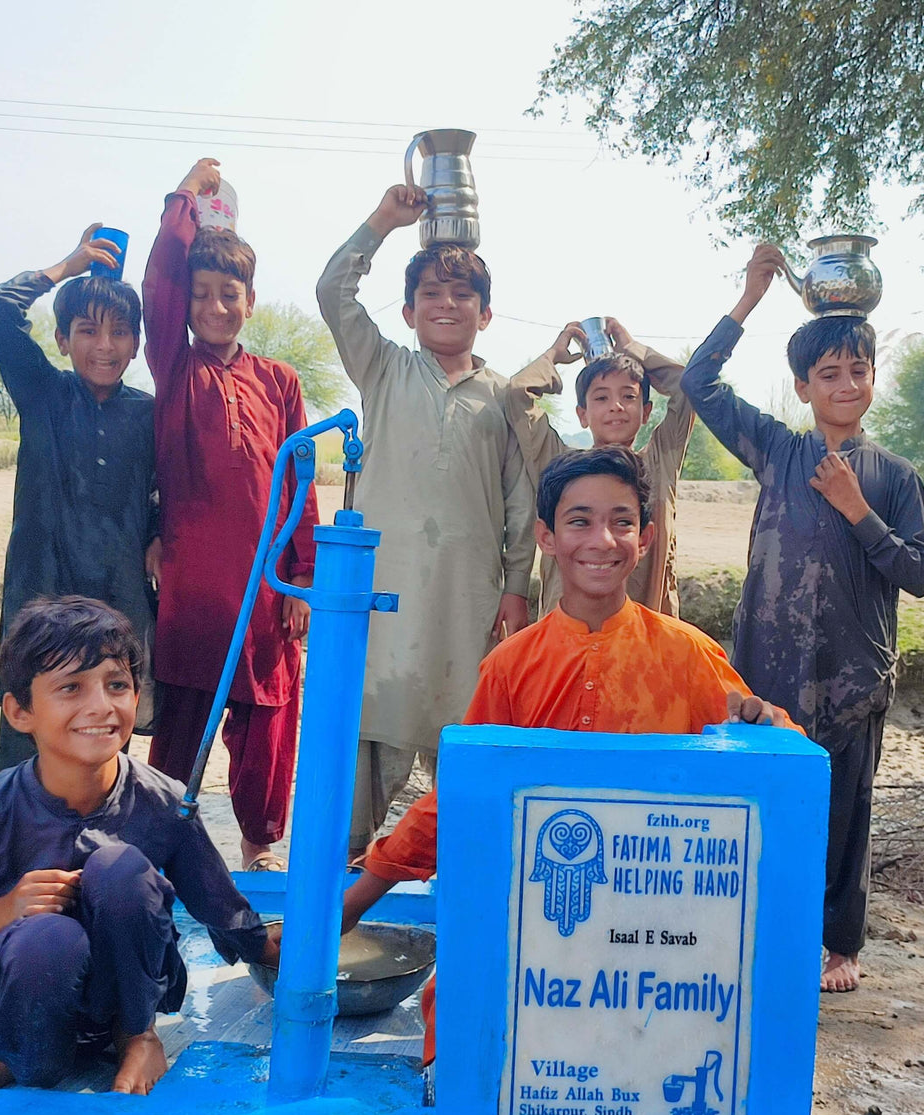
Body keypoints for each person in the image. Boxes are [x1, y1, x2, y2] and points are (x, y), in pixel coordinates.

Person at [329, 447, 794, 1063]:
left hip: (652, 929)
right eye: (579, 521)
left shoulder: (686, 655)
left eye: (621, 521)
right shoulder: (512, 664)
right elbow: (458, 800)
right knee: (470, 1030)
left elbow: (779, 755)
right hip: (533, 917)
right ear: (546, 537)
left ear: (646, 537)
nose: (602, 540)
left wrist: (766, 723)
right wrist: (353, 904)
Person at [0, 596, 278, 1094]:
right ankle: (14, 1051)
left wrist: (284, 951)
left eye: (117, 685)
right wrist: (9, 909)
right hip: (32, 991)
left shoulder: (165, 801)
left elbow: (219, 904)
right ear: (20, 712)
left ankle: (137, 1038)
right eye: (71, 688)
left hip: (130, 994)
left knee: (120, 869)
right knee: (48, 938)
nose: (101, 706)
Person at [679, 244, 924, 993]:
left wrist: (858, 511)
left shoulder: (893, 476)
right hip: (772, 667)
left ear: (873, 378)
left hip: (854, 676)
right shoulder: (777, 449)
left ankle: (839, 945)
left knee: (846, 814)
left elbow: (917, 572)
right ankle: (751, 923)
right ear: (802, 385)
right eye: (829, 374)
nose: (846, 385)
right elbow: (698, 383)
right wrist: (750, 299)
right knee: (764, 799)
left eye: (858, 371)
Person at [316, 184, 534, 860]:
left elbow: (520, 501)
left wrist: (517, 587)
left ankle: (459, 918)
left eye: (462, 295)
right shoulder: (383, 369)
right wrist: (383, 220)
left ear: (486, 313)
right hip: (381, 610)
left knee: (465, 767)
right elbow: (333, 294)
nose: (447, 305)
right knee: (358, 773)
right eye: (432, 296)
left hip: (466, 609)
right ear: (408, 312)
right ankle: (335, 909)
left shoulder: (504, 397)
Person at [142, 158, 318, 871]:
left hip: (268, 592)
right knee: (182, 727)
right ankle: (156, 852)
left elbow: (302, 486)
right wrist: (184, 195)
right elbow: (156, 282)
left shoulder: (280, 381)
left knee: (269, 726)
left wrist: (300, 581)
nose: (214, 307)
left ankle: (259, 852)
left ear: (251, 298)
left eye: (229, 293)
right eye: (201, 294)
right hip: (194, 593)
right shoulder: (175, 369)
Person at [0, 225, 158, 774]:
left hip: (118, 600)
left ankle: (91, 853)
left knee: (104, 735)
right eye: (87, 331)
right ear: (62, 339)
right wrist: (68, 265)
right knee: (27, 737)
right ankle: (14, 856)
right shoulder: (43, 392)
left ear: (136, 344)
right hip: (41, 594)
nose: (104, 347)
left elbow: (165, 496)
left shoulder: (150, 414)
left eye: (120, 333)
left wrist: (156, 535)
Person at [507, 317, 694, 617]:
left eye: (629, 396)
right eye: (601, 397)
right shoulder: (559, 466)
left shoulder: (659, 462)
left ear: (646, 411)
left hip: (647, 639)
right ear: (582, 414)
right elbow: (518, 394)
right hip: (567, 641)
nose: (616, 406)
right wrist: (555, 354)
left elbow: (689, 388)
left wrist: (634, 350)